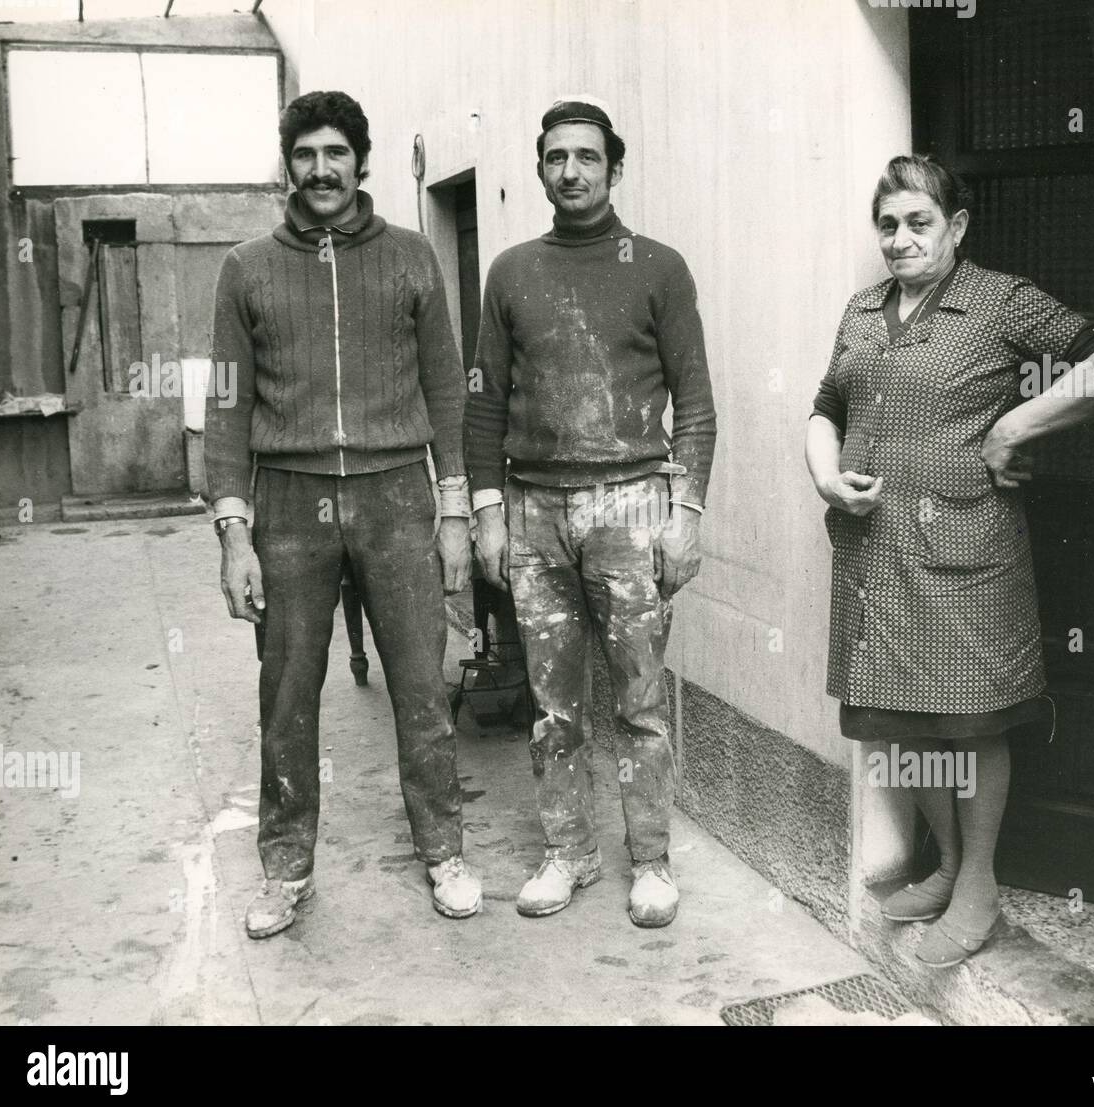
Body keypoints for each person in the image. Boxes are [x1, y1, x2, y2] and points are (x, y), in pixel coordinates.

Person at [804, 154, 1094, 967]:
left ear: (956, 226)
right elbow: (824, 407)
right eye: (887, 224)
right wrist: (825, 474)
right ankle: (946, 866)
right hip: (873, 550)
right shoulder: (861, 310)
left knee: (971, 720)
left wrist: (1016, 427)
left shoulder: (999, 301)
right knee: (898, 718)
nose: (900, 239)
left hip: (964, 552)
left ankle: (978, 882)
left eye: (919, 222)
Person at [205, 90, 482, 939]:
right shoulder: (245, 268)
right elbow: (224, 404)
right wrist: (234, 533)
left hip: (396, 493)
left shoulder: (409, 258)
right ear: (285, 165)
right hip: (287, 500)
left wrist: (455, 511)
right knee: (286, 692)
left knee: (421, 685)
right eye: (304, 154)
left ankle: (444, 850)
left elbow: (445, 387)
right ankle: (286, 869)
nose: (321, 169)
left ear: (361, 162)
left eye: (336, 153)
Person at [465, 97, 717, 928]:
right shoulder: (509, 271)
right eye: (555, 158)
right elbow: (482, 407)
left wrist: (686, 512)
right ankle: (567, 852)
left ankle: (650, 861)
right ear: (539, 168)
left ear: (615, 167)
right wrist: (489, 513)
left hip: (631, 507)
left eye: (587, 157)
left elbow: (697, 407)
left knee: (640, 702)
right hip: (534, 513)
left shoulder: (658, 268)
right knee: (552, 703)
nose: (570, 171)